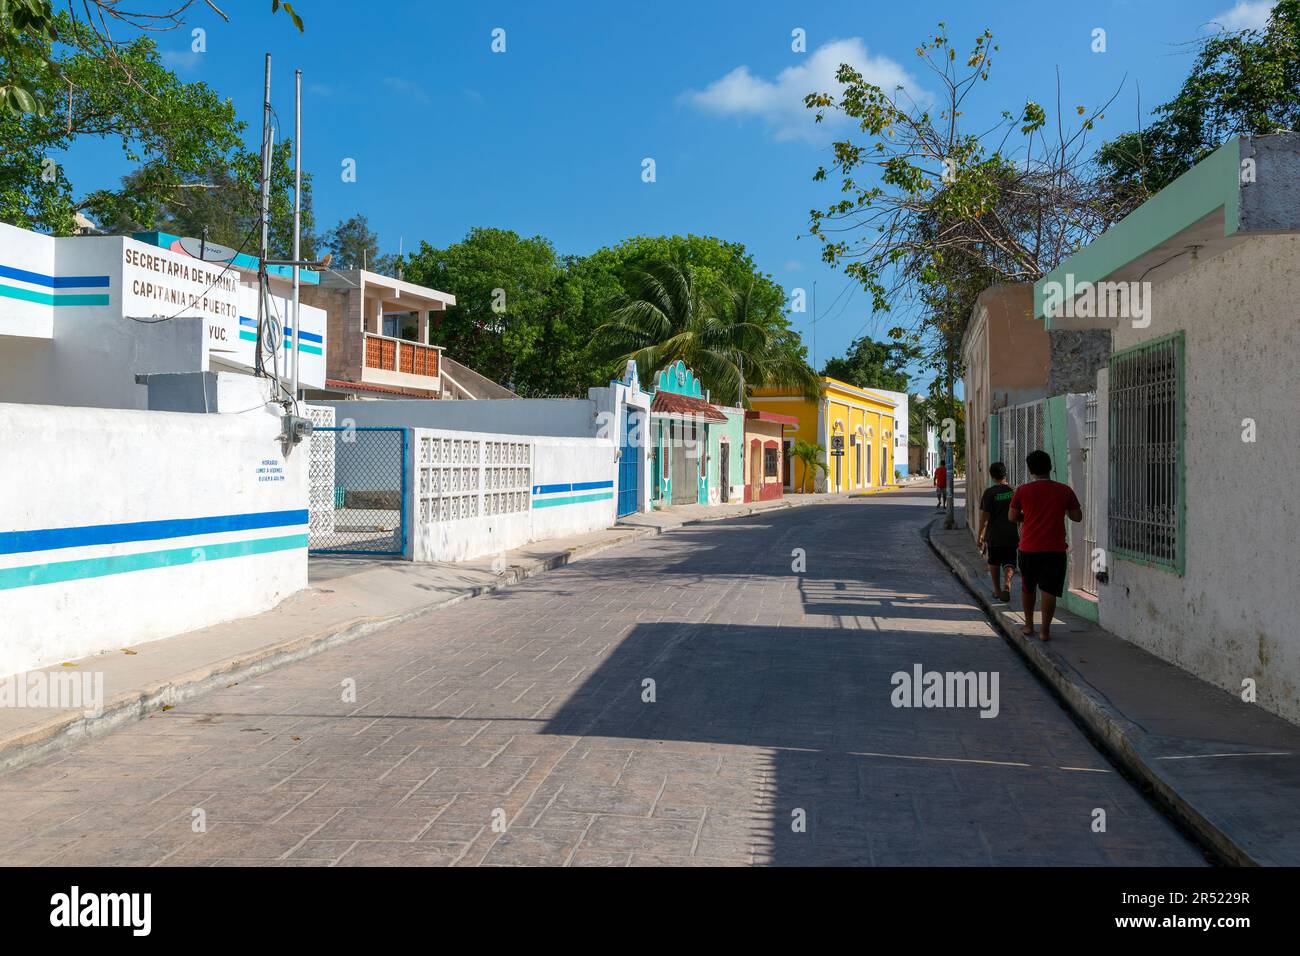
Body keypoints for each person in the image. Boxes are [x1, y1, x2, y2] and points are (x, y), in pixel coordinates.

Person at [1008, 450, 1082, 642]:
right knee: (1049, 590)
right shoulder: (1064, 490)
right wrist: (1059, 510)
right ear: (1049, 466)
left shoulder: (1022, 491)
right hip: (1055, 549)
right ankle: (1045, 631)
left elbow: (1012, 517)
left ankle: (1029, 625)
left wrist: (1028, 517)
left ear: (1030, 469)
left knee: (1028, 587)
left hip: (1028, 547)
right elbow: (1077, 517)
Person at [976, 461, 1018, 602]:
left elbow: (985, 517)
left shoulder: (989, 493)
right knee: (1009, 561)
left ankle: (997, 590)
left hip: (994, 535)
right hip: (1011, 534)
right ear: (1005, 474)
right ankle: (1007, 584)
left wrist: (980, 535)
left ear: (992, 476)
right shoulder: (1013, 491)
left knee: (994, 562)